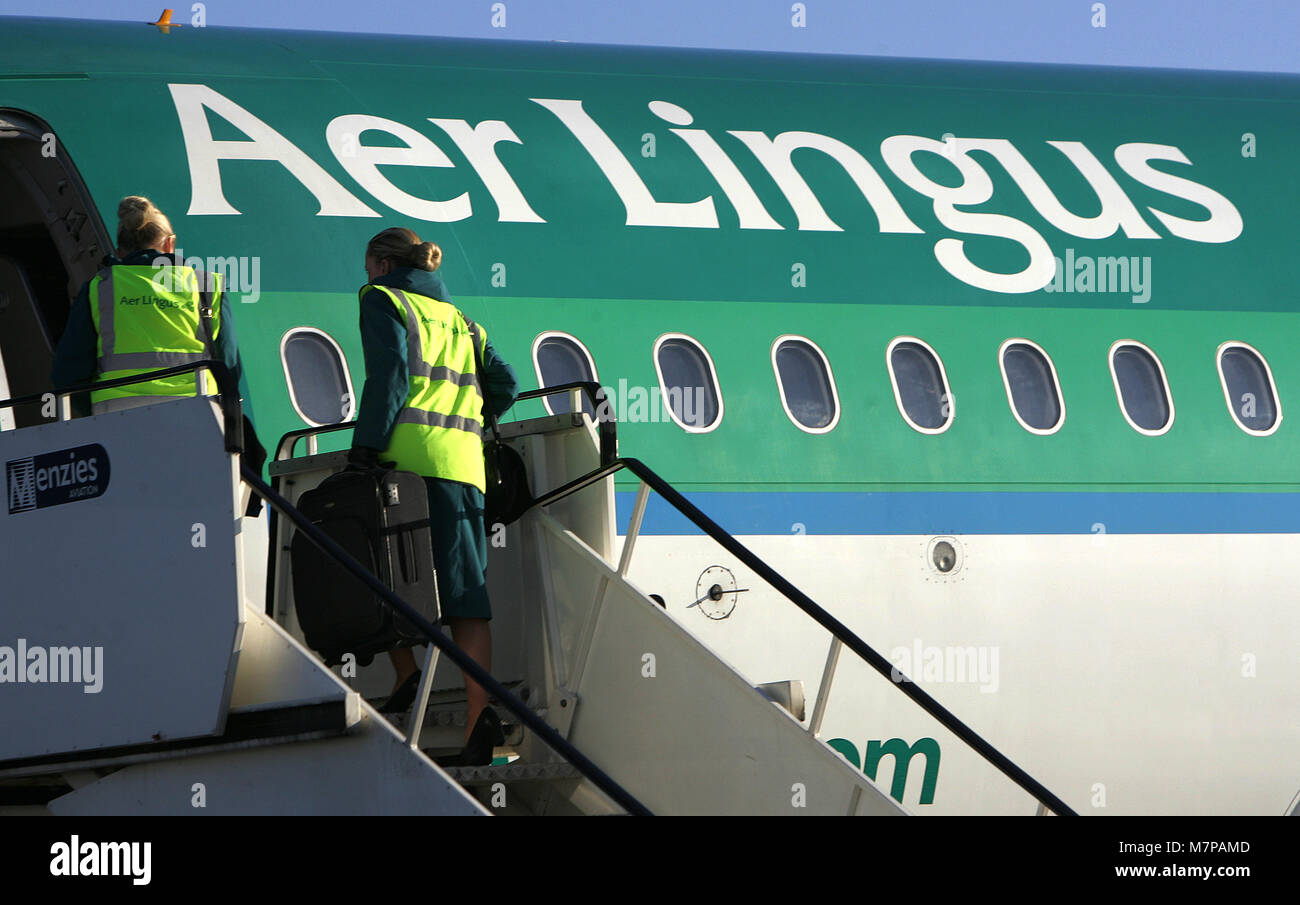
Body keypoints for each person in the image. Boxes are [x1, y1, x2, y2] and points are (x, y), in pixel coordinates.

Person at [349, 227, 518, 766]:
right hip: (464, 467)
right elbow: (506, 384)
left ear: (379, 264)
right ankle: (477, 720)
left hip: (407, 467)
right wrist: (469, 422)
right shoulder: (464, 321)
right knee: (468, 596)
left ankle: (407, 675)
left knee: (378, 573)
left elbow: (391, 375)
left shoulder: (381, 299)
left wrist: (365, 447)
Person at [50, 196, 265, 495]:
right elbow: (229, 365)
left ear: (118, 249)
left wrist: (92, 414)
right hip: (197, 421)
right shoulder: (207, 286)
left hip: (114, 425)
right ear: (169, 244)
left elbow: (67, 373)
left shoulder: (99, 288)